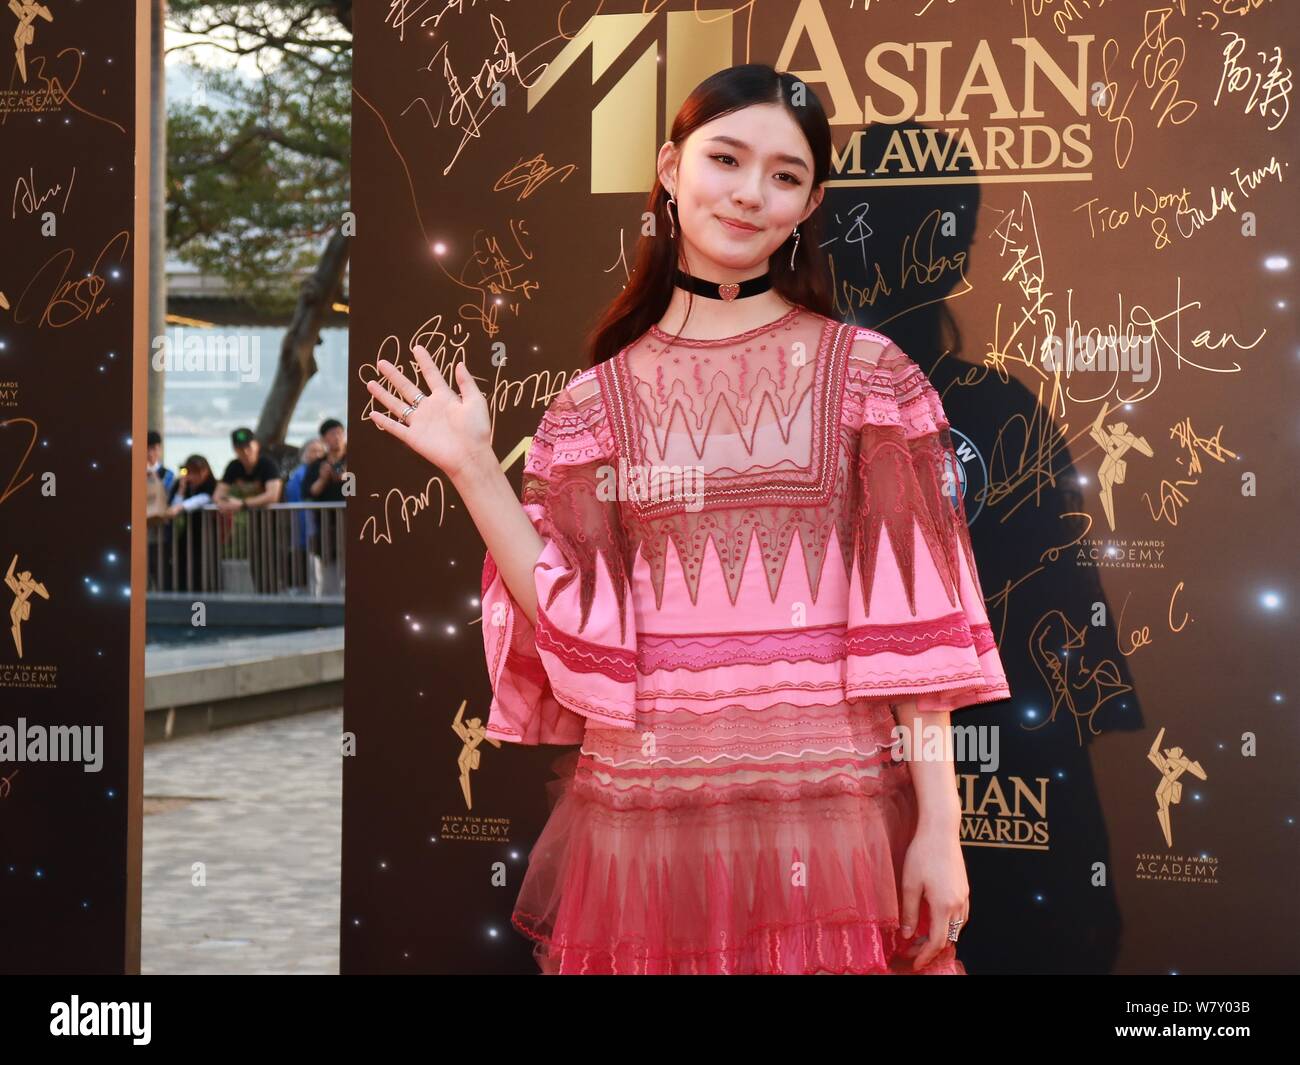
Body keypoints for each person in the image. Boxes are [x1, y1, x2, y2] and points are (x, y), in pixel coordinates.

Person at [366, 64, 1011, 975]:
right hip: (649, 823)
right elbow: (568, 617)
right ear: (671, 167)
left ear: (809, 202)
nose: (750, 193)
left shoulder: (871, 378)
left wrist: (941, 825)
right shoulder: (593, 402)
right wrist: (475, 470)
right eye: (725, 158)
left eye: (784, 175)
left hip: (832, 822)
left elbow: (919, 637)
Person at [213, 428, 283, 594]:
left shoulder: (268, 464)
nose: (245, 452)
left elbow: (273, 495)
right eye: (240, 448)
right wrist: (226, 504)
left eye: (248, 447)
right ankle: (262, 597)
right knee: (257, 561)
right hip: (255, 522)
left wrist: (242, 504)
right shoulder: (234, 467)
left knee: (274, 560)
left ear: (256, 446)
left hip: (277, 521)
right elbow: (218, 495)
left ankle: (277, 597)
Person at [304, 418, 347, 596]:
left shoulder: (355, 458)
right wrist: (323, 479)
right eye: (332, 434)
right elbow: (309, 492)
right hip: (326, 527)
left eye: (339, 432)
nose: (337, 437)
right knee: (329, 569)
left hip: (349, 524)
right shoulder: (317, 465)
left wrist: (345, 478)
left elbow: (356, 492)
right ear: (324, 439)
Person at [164, 455, 219, 592]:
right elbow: (173, 507)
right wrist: (182, 489)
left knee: (203, 569)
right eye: (191, 472)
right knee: (181, 566)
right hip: (186, 535)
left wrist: (181, 507)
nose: (194, 477)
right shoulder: (182, 484)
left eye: (198, 472)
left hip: (207, 536)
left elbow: (205, 499)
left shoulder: (212, 485)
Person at [284, 437, 327, 592]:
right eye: (312, 451)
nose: (316, 455)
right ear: (304, 453)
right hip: (300, 525)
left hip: (315, 526)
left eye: (319, 451)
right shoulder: (298, 474)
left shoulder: (319, 473)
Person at [145, 430, 179, 590]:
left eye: (153, 448)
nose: (150, 453)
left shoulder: (168, 474)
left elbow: (169, 497)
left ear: (159, 449)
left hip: (161, 534)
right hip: (140, 534)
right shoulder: (133, 471)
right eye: (146, 448)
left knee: (162, 574)